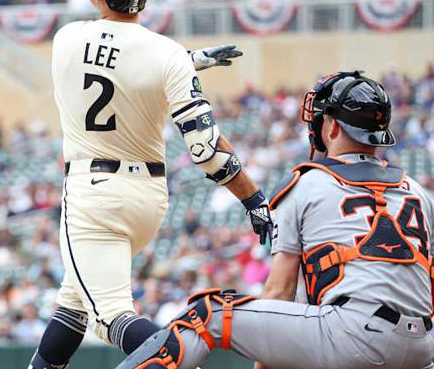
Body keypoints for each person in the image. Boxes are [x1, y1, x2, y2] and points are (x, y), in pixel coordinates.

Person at [27, 0, 273, 369]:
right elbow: (206, 150)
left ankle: (180, 358)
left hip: (93, 197)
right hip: (147, 200)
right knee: (73, 303)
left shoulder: (67, 39)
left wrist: (186, 61)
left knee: (111, 318)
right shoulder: (168, 54)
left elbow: (109, 64)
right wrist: (253, 198)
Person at [118, 71, 434, 369]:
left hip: (353, 336)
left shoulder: (307, 183)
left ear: (333, 127)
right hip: (422, 348)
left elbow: (280, 293)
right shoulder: (419, 192)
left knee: (208, 314)